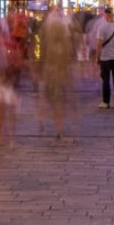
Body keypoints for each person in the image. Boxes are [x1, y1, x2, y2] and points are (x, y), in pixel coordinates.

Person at [39, 7, 74, 139]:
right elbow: (68, 53)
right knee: (59, 101)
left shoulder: (46, 35)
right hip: (59, 74)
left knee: (50, 100)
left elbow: (41, 54)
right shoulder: (64, 41)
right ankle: (58, 128)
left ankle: (43, 120)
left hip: (50, 72)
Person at [87, 6, 114, 109]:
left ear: (107, 15)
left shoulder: (102, 27)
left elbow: (99, 44)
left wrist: (97, 57)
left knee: (106, 80)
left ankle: (106, 102)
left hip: (105, 57)